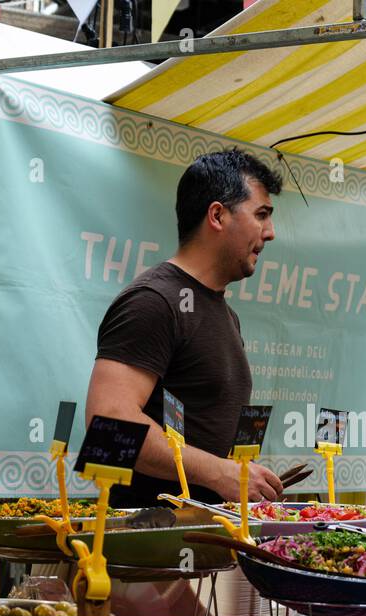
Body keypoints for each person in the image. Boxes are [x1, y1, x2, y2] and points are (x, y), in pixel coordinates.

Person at [85, 148, 285, 507]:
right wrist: (220, 473)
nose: (270, 233)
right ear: (217, 215)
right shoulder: (154, 301)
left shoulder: (226, 314)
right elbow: (108, 426)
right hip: (149, 550)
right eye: (261, 215)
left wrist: (237, 475)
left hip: (204, 545)